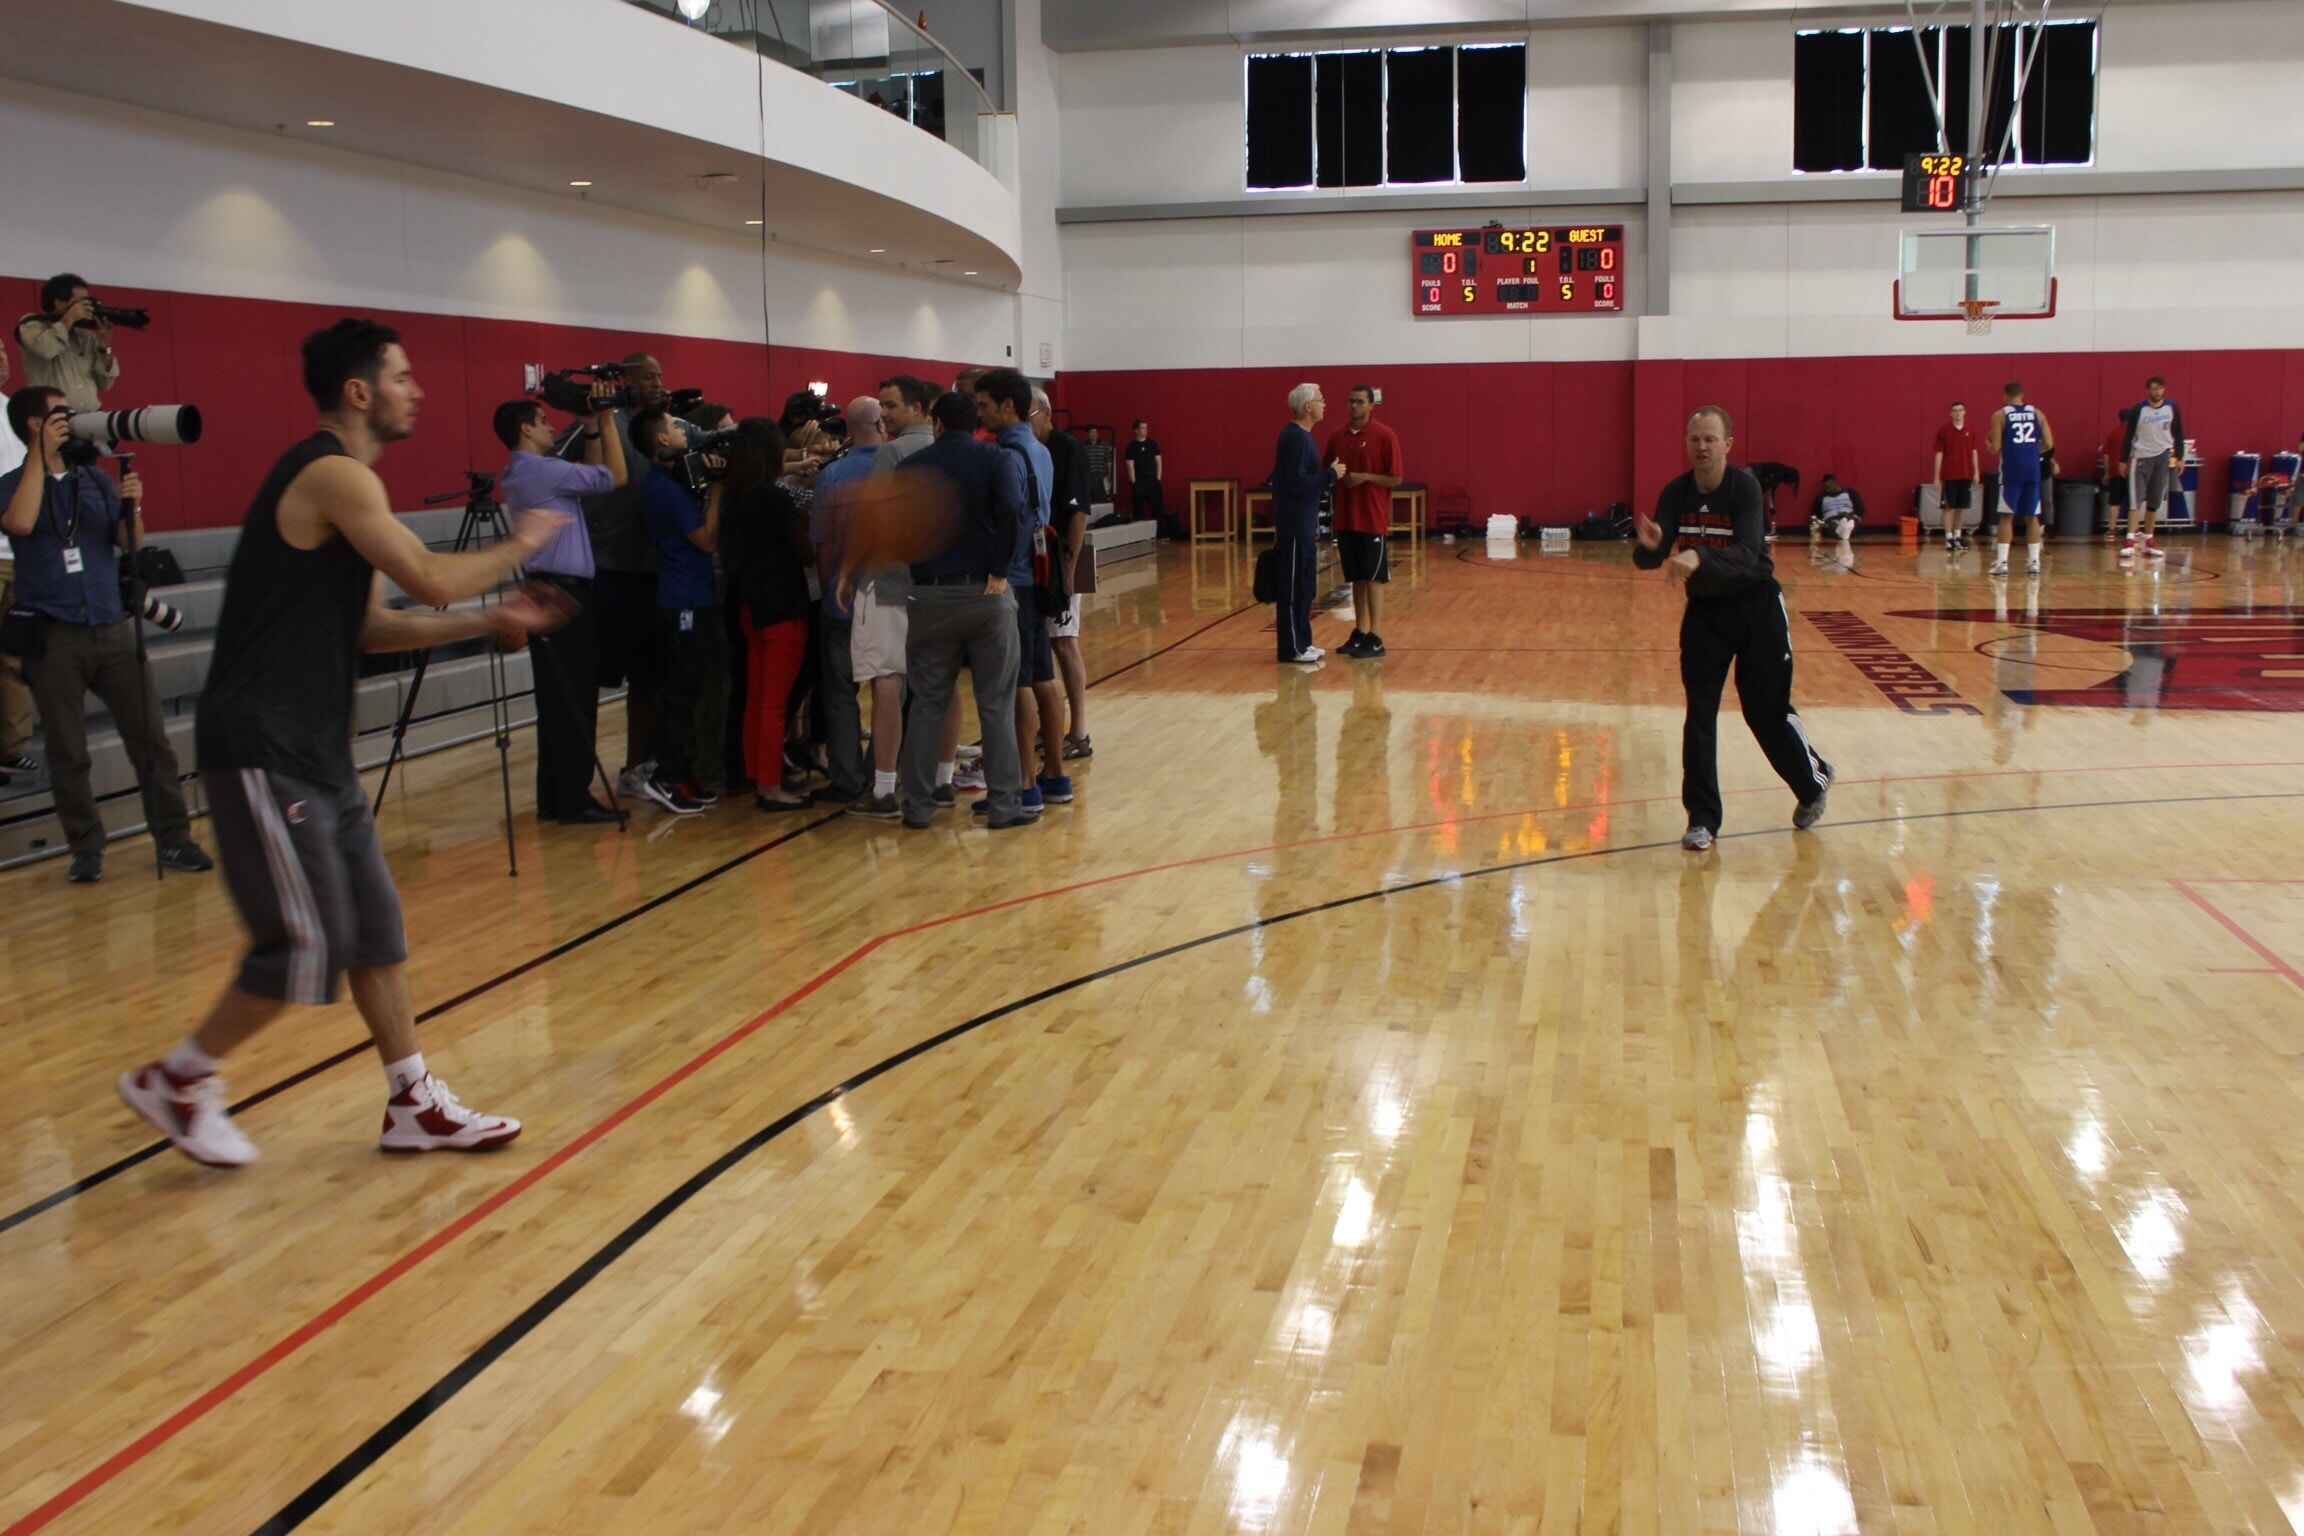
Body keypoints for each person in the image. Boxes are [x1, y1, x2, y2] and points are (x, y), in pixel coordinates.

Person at [118, 317, 573, 1167]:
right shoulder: (330, 472)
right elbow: (430, 577)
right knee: (303, 944)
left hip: (317, 744)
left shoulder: (348, 482)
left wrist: (490, 619)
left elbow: (369, 624)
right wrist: (524, 542)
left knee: (374, 928)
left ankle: (412, 1102)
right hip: (262, 740)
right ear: (360, 392)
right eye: (403, 377)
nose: (418, 390)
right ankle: (177, 1079)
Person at [1, 386, 212, 882]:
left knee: (152, 743)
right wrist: (40, 457)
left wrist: (132, 506)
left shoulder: (94, 480)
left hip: (111, 627)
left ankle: (174, 841)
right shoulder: (13, 483)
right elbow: (22, 522)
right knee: (67, 749)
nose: (72, 420)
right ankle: (86, 848)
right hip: (54, 636)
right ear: (34, 423)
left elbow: (131, 544)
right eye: (59, 413)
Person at [1632, 407, 1833, 852]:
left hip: (1756, 607)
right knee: (1699, 714)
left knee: (1764, 711)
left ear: (1728, 445)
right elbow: (1656, 554)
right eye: (1694, 439)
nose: (1701, 447)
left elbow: (1746, 553)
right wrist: (1648, 550)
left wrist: (1700, 556)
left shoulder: (1743, 489)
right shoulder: (1677, 492)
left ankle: (1812, 781)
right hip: (1705, 614)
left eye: (1709, 439)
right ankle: (1702, 819)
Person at [493, 387, 627, 825]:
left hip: (546, 586)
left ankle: (555, 796)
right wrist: (605, 422)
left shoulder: (521, 472)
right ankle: (574, 799)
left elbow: (588, 470)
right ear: (526, 429)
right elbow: (613, 477)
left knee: (556, 698)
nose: (552, 427)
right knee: (575, 697)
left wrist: (588, 428)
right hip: (564, 593)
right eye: (544, 421)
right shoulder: (545, 470)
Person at [898, 391, 1027, 829]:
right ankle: (1006, 806)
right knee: (995, 705)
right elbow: (1012, 508)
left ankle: (916, 806)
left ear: (935, 423)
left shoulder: (910, 467)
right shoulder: (995, 459)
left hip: (929, 594)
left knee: (926, 705)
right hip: (986, 594)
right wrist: (1000, 569)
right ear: (976, 424)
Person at [974, 368, 1070, 812]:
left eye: (984, 406)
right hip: (1038, 576)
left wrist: (995, 570)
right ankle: (1054, 775)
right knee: (1044, 676)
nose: (980, 414)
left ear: (1006, 407)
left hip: (1014, 578)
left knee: (1018, 683)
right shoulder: (1041, 449)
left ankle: (1025, 784)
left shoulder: (1007, 456)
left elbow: (1012, 514)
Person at [577, 353, 669, 801]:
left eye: (659, 376)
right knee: (595, 676)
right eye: (648, 376)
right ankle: (576, 774)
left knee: (648, 680)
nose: (656, 383)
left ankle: (636, 766)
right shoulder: (593, 429)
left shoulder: (661, 431)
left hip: (652, 572)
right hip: (609, 571)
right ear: (624, 380)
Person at [718, 418, 815, 812]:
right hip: (781, 606)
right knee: (775, 703)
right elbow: (805, 552)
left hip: (750, 604)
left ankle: (759, 775)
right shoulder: (774, 500)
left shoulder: (736, 495)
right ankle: (772, 787)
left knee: (758, 698)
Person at [635, 406, 723, 814]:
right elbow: (705, 539)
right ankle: (665, 775)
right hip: (684, 600)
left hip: (691, 595)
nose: (683, 429)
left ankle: (680, 774)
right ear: (660, 440)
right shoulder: (664, 488)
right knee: (681, 692)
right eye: (674, 426)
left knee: (689, 689)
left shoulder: (669, 481)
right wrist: (718, 490)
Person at [809, 396, 882, 810]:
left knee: (840, 696)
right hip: (889, 602)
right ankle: (882, 775)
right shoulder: (897, 469)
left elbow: (822, 544)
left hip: (842, 601)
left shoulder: (832, 476)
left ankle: (847, 779)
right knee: (889, 692)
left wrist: (829, 586)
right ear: (881, 423)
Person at [1033, 388, 1095, 761]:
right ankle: (1049, 726)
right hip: (1043, 556)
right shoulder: (1025, 449)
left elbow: (1080, 514)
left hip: (1073, 553)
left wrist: (1070, 568)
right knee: (1044, 642)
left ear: (1046, 412)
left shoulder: (1068, 449)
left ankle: (1080, 732)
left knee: (1065, 642)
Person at [1325, 384, 1403, 658]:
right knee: (1355, 578)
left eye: (1359, 402)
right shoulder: (1337, 436)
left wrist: (1366, 477)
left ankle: (1377, 637)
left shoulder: (1384, 436)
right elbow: (1326, 472)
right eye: (1350, 401)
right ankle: (1359, 632)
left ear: (1371, 406)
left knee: (1373, 579)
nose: (1353, 406)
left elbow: (1395, 478)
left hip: (1372, 518)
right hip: (1346, 519)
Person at [1271, 383, 1337, 665]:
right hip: (1295, 525)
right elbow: (1297, 483)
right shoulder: (1295, 438)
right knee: (1294, 587)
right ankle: (1292, 647)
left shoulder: (1303, 437)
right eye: (1321, 400)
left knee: (1305, 585)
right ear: (1308, 406)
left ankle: (1303, 642)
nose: (1325, 405)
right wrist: (1330, 475)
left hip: (1304, 524)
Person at [0, 341, 37, 785]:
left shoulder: (15, 413)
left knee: (12, 659)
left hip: (19, 555)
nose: (4, 359)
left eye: (4, 353)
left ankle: (12, 748)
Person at [15, 274, 120, 412]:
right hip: (51, 419)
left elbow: (104, 384)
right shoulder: (32, 325)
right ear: (59, 302)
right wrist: (69, 318)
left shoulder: (86, 337)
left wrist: (104, 344)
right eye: (81, 303)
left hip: (90, 419)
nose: (87, 308)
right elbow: (46, 349)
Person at [1987, 382, 2054, 577]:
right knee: (2032, 515)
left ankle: (2002, 563)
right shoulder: (2037, 413)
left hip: (2012, 469)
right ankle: (2034, 562)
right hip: (2033, 469)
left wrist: (1988, 444)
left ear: (2005, 396)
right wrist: (2033, 452)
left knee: (2006, 515)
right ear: (2023, 395)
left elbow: (1996, 447)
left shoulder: (2000, 415)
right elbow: (2049, 443)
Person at [2121, 376, 2186, 565]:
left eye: (2159, 389)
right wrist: (2122, 459)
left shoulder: (2172, 408)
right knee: (2135, 500)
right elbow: (2129, 435)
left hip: (2162, 456)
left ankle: (2150, 539)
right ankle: (2130, 540)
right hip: (2141, 456)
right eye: (2152, 389)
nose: (2156, 392)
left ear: (2164, 390)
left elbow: (2179, 433)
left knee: (2155, 500)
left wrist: (2180, 457)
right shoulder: (2138, 409)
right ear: (2147, 391)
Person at [1931, 401, 1981, 554]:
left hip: (1965, 475)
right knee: (1948, 507)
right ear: (1950, 413)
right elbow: (1939, 454)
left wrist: (1976, 471)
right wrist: (1937, 476)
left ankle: (1958, 535)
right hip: (1949, 475)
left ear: (1965, 412)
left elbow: (1974, 451)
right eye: (1954, 411)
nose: (1958, 413)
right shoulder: (1944, 431)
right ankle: (1948, 536)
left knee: (1961, 507)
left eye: (1960, 410)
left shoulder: (1971, 430)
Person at [1125, 419, 1170, 538]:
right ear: (1136, 430)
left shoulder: (1152, 444)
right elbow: (1130, 465)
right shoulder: (1131, 446)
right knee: (1138, 509)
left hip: (1152, 480)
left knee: (1158, 509)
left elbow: (1158, 462)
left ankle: (1161, 535)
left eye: (1146, 427)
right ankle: (1139, 536)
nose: (1146, 430)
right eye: (1143, 428)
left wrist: (1158, 478)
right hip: (1139, 481)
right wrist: (1134, 482)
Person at [2102, 408, 2134, 543]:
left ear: (2119, 418)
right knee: (2134, 504)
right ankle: (2133, 530)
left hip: (2115, 472)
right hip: (2132, 473)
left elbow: (2105, 456)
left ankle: (2111, 530)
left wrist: (2106, 473)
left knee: (2115, 502)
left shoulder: (2113, 434)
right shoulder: (2134, 435)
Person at [1809, 474, 1864, 546]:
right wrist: (1814, 519)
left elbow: (1861, 509)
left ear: (1834, 483)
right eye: (1825, 487)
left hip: (1848, 517)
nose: (1827, 490)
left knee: (1853, 520)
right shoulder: (1821, 498)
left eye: (1829, 487)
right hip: (1832, 521)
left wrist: (1850, 515)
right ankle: (1844, 532)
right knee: (1830, 525)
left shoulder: (1850, 492)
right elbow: (1815, 515)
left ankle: (1843, 531)